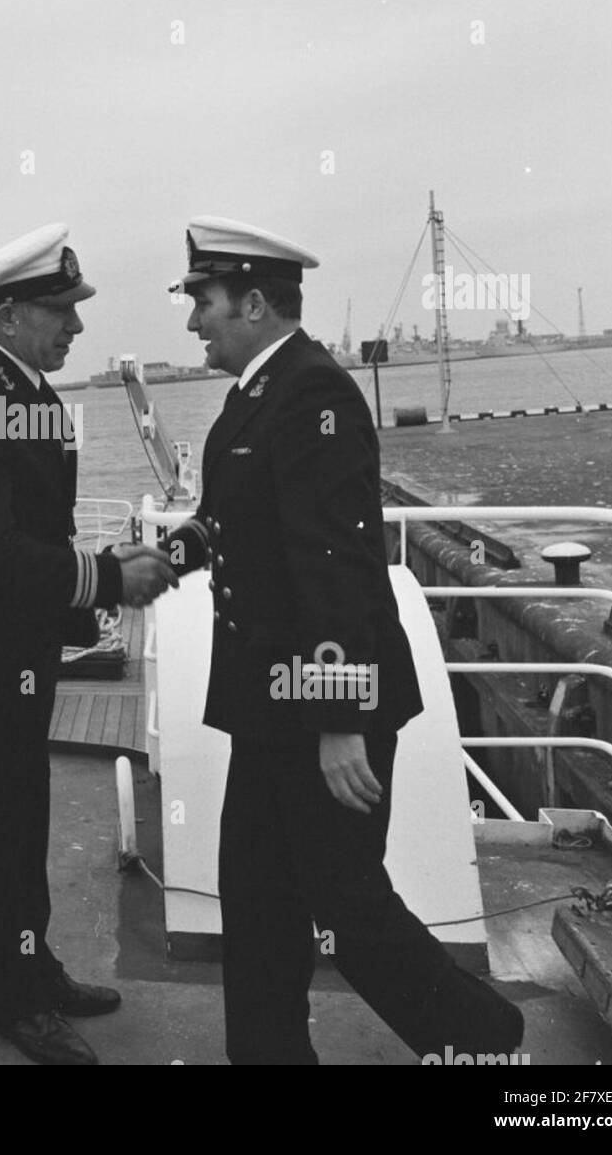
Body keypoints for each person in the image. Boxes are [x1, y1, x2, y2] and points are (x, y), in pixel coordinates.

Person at [162, 216, 523, 1065]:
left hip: (324, 704)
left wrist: (337, 719)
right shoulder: (257, 393)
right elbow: (232, 523)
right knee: (256, 898)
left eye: (203, 302)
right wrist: (156, 558)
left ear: (253, 301)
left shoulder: (312, 394)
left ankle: (484, 1042)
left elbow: (335, 566)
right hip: (267, 700)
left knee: (346, 905)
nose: (193, 323)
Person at [0, 222, 176, 1065]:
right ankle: (8, 999)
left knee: (23, 818)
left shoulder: (31, 396)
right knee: (0, 827)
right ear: (8, 313)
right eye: (60, 310)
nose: (75, 326)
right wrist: (104, 580)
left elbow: (44, 526)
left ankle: (34, 965)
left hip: (22, 647)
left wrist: (76, 611)